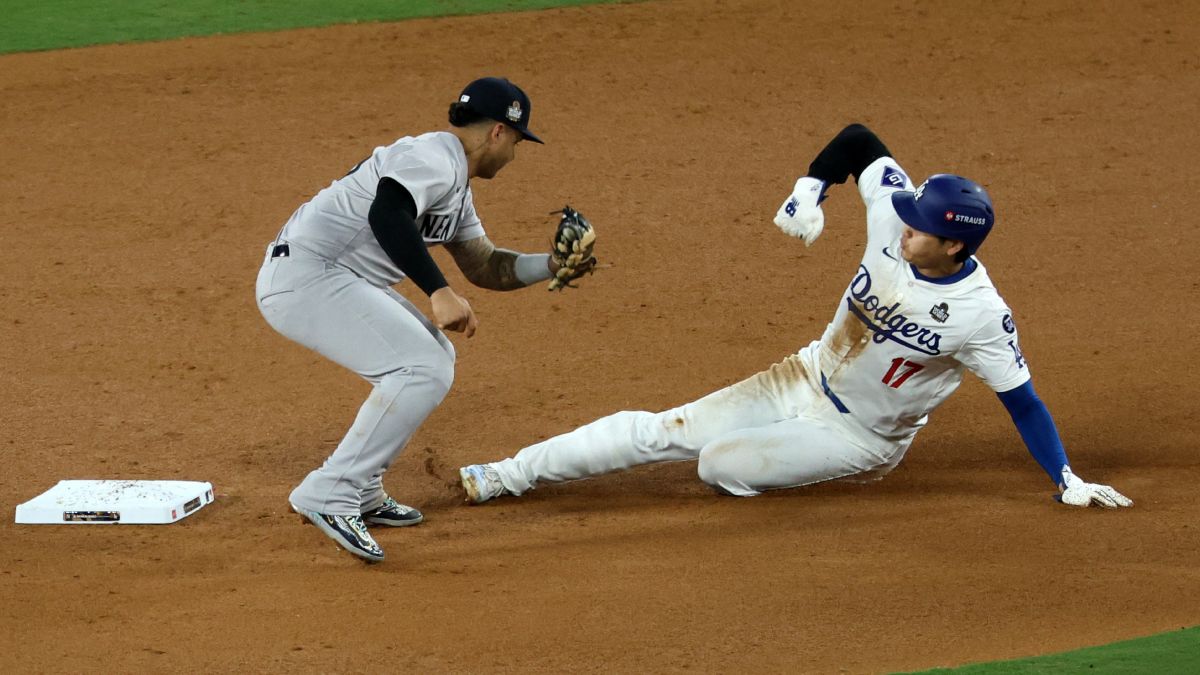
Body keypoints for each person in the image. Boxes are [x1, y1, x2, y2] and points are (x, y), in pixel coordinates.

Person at [458, 123, 1132, 510]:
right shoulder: (893, 217)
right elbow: (860, 139)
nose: (904, 228)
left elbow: (1024, 402)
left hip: (861, 438)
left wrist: (1066, 477)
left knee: (717, 464)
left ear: (954, 244)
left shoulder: (980, 315)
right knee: (666, 429)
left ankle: (782, 465)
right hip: (801, 376)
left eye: (921, 228)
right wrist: (812, 186)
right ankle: (508, 473)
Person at [256, 77, 595, 562]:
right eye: (518, 142)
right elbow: (387, 214)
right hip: (309, 275)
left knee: (435, 356)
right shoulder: (430, 157)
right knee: (419, 367)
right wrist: (437, 291)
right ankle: (331, 491)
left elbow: (485, 265)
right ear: (498, 131)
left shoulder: (454, 184)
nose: (516, 155)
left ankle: (364, 486)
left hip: (332, 277)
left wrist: (551, 266)